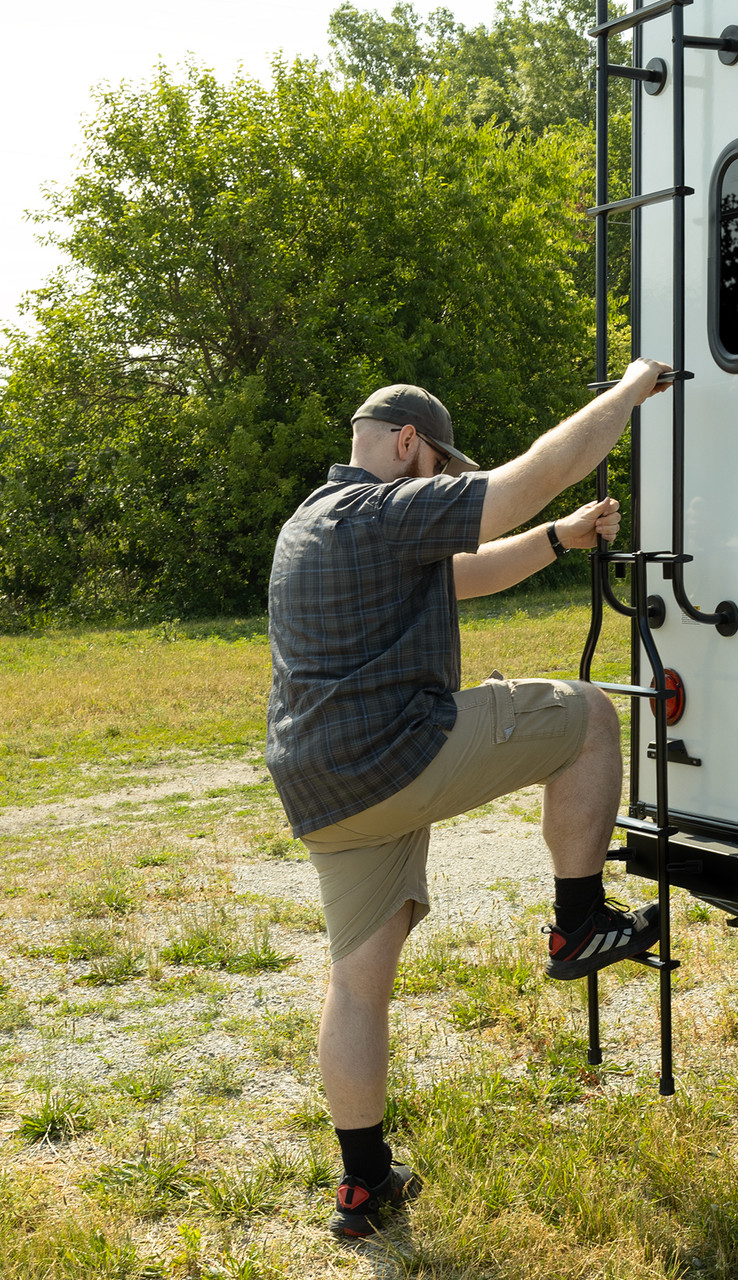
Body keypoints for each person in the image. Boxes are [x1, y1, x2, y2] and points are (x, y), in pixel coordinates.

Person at [264, 357, 671, 1239]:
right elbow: (535, 475)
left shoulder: (313, 525)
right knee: (591, 715)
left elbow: (470, 573)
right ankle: (581, 918)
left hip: (324, 789)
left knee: (358, 984)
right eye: (444, 473)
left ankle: (364, 1184)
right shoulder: (380, 511)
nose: (448, 489)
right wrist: (631, 388)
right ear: (410, 445)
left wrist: (563, 540)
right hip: (396, 753)